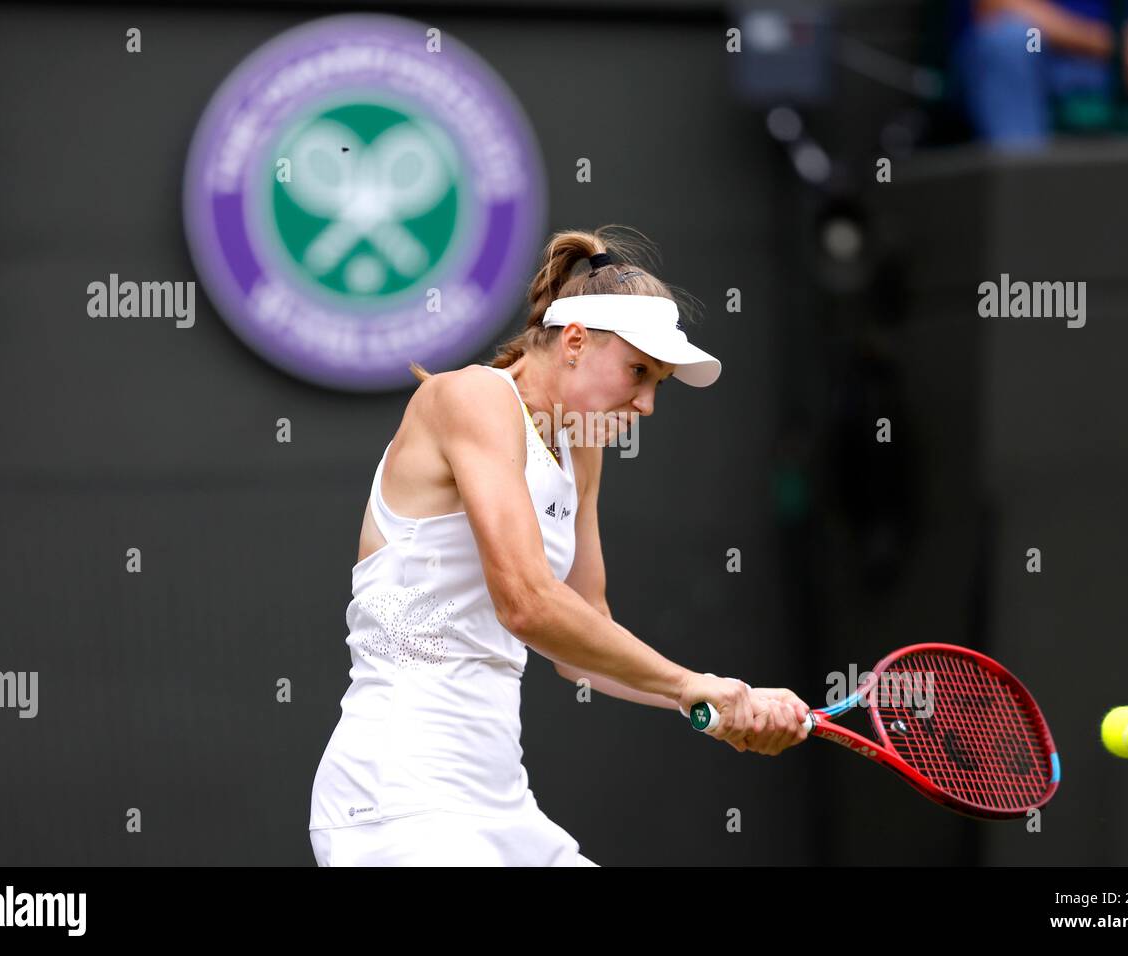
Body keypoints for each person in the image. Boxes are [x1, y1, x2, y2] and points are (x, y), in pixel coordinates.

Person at [308, 227, 812, 866]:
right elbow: (527, 603)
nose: (649, 403)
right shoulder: (469, 397)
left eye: (658, 381)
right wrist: (691, 684)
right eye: (638, 372)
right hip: (397, 799)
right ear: (574, 341)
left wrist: (723, 702)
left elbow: (585, 650)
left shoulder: (582, 448)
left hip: (497, 803)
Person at [953, 0, 1128, 147]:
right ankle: (1026, 216)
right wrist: (1111, 46)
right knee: (1007, 43)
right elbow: (996, 6)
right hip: (1045, 58)